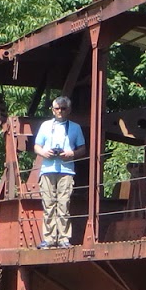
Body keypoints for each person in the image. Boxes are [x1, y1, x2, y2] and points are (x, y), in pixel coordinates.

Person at [34, 95, 85, 248]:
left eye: (63, 108)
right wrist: (44, 153)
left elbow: (83, 149)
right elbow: (36, 146)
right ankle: (49, 239)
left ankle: (63, 238)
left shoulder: (75, 127)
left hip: (66, 171)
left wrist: (71, 154)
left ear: (68, 110)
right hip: (47, 170)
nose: (60, 111)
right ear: (52, 110)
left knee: (63, 204)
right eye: (57, 108)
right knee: (48, 205)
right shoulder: (45, 126)